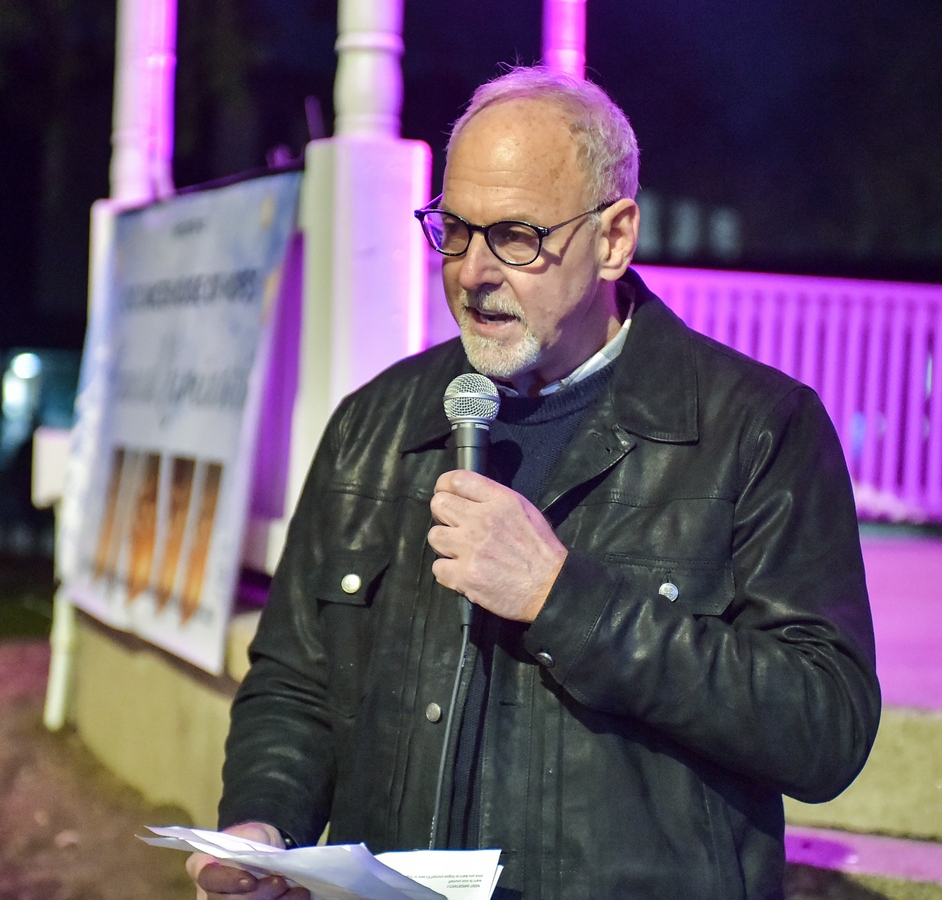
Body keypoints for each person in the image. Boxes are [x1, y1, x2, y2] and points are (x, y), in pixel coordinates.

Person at [187, 67, 880, 900]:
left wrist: (564, 599)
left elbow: (823, 725)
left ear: (615, 237)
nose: (474, 270)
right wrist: (265, 826)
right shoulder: (375, 425)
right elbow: (295, 683)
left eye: (516, 236)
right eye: (455, 228)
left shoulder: (757, 428)